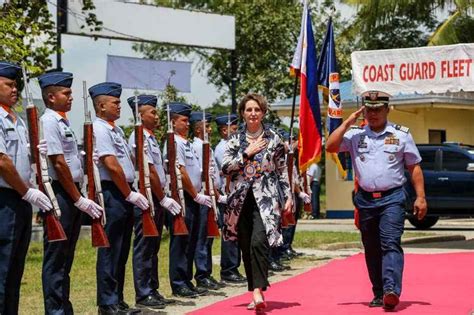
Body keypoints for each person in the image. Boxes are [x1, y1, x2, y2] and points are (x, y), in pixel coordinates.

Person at [326, 90, 427, 311]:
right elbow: (330, 146)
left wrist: (420, 197)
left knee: (389, 243)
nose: (373, 114)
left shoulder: (401, 135)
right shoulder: (355, 135)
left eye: (378, 110)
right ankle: (379, 293)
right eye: (369, 110)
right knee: (371, 248)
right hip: (365, 200)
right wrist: (348, 122)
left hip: (392, 198)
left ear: (387, 110)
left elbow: (414, 167)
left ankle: (391, 289)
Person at [39, 71, 104, 314]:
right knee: (56, 258)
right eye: (66, 93)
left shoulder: (63, 121)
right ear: (52, 97)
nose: (71, 97)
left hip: (73, 192)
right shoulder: (49, 121)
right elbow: (58, 163)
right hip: (62, 194)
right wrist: (78, 199)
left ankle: (63, 307)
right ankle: (55, 310)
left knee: (66, 258)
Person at [222, 93, 292, 310]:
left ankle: (257, 291)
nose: (253, 113)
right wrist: (246, 153)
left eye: (257, 110)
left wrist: (288, 195)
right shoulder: (234, 139)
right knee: (245, 245)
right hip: (240, 200)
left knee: (258, 242)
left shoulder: (274, 138)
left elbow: (282, 170)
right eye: (249, 109)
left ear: (263, 112)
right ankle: (256, 290)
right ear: (242, 113)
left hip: (267, 199)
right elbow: (225, 167)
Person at [90, 82, 148, 315]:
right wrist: (128, 192)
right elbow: (111, 165)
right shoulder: (100, 129)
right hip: (113, 192)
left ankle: (118, 298)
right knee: (111, 249)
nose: (119, 106)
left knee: (122, 248)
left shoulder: (115, 129)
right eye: (115, 102)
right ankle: (107, 302)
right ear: (102, 106)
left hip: (123, 191)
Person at [0, 61, 53, 314]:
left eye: (16, 85)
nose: (15, 89)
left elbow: (19, 158)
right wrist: (26, 191)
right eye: (9, 84)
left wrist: (34, 154)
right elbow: (1, 160)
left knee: (14, 269)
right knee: (2, 269)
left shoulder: (18, 120)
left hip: (19, 199)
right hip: (4, 200)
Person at [127, 95, 181, 311]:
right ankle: (143, 292)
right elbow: (149, 171)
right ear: (140, 115)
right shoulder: (137, 137)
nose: (157, 116)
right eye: (153, 112)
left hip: (156, 198)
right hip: (147, 198)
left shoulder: (150, 138)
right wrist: (162, 197)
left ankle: (153, 288)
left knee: (153, 246)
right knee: (144, 246)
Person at [165, 102, 211, 299]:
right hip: (183, 196)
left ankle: (187, 280)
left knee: (191, 241)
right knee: (181, 241)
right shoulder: (174, 142)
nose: (187, 124)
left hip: (193, 198)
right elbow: (181, 172)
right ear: (173, 122)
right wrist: (195, 194)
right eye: (183, 120)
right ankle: (178, 282)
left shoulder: (186, 143)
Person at [189, 111, 227, 291]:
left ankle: (207, 273)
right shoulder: (197, 146)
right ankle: (202, 274)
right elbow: (204, 173)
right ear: (197, 129)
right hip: (205, 195)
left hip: (212, 194)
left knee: (209, 236)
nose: (211, 130)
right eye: (207, 126)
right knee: (203, 238)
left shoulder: (205, 145)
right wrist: (215, 195)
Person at [214, 114, 246, 284]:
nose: (236, 132)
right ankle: (228, 269)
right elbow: (228, 170)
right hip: (228, 195)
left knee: (237, 232)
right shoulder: (223, 148)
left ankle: (233, 267)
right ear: (224, 130)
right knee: (230, 233)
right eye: (234, 129)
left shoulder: (233, 146)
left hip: (237, 194)